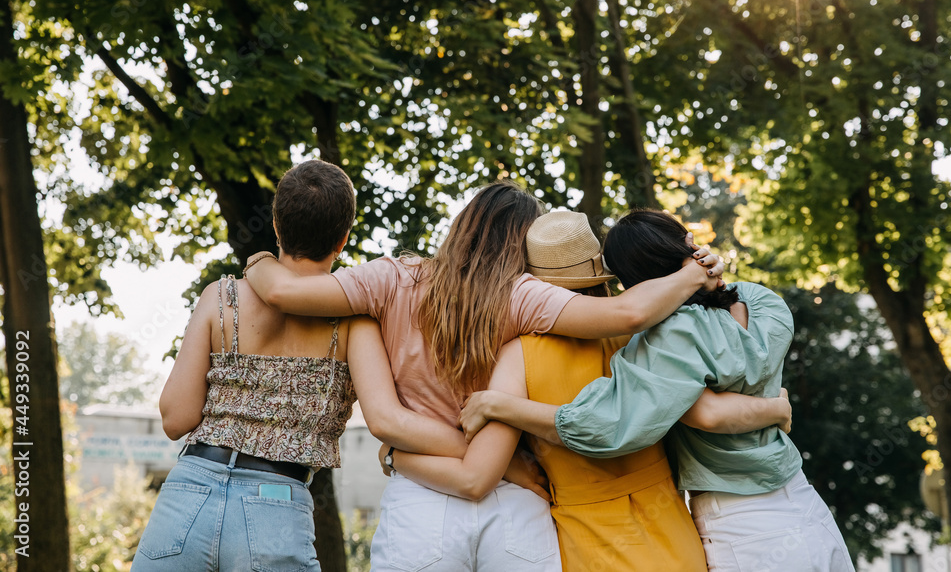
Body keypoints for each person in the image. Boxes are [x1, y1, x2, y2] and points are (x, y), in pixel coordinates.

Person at [242, 180, 727, 571]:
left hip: (423, 499)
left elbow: (283, 294)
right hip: (517, 499)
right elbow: (625, 315)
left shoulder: (391, 279)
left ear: (461, 225)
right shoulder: (524, 295)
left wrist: (259, 258)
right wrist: (694, 274)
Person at [380, 211, 793, 571]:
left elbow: (479, 472)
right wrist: (775, 409)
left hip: (587, 537)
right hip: (670, 526)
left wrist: (400, 452)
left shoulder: (516, 356)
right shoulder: (650, 338)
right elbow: (707, 408)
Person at [460, 209, 855, 572]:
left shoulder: (667, 338)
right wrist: (776, 408)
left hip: (737, 521)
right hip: (801, 500)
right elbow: (708, 406)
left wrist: (498, 405)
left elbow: (610, 424)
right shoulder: (763, 301)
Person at [134, 160, 468, 572]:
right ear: (343, 239)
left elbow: (175, 419)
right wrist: (471, 445)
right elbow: (386, 421)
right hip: (275, 506)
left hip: (188, 494)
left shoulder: (220, 298)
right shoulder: (354, 320)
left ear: (276, 225)